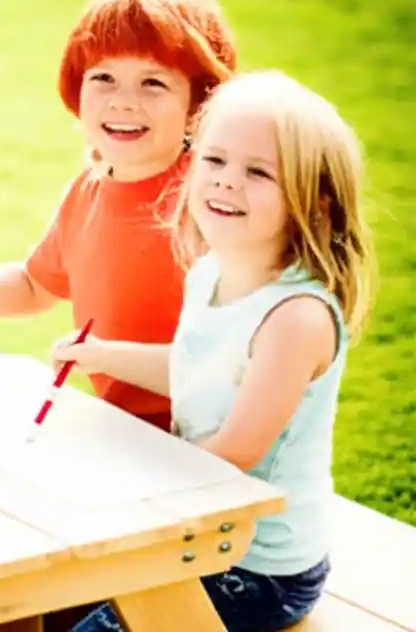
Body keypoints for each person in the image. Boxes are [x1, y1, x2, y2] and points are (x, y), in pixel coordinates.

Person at [60, 71, 376, 631]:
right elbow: (196, 370)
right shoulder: (211, 272)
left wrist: (125, 483)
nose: (227, 182)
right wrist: (103, 355)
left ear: (316, 203)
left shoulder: (295, 318)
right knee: (56, 587)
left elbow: (234, 453)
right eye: (215, 161)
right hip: (207, 529)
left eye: (258, 172)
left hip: (259, 565)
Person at [0, 0, 238, 431]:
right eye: (103, 78)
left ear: (199, 103)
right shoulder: (89, 190)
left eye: (153, 84)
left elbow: (234, 360)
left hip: (213, 436)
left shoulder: (214, 202)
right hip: (126, 428)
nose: (123, 102)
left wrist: (107, 357)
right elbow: (33, 286)